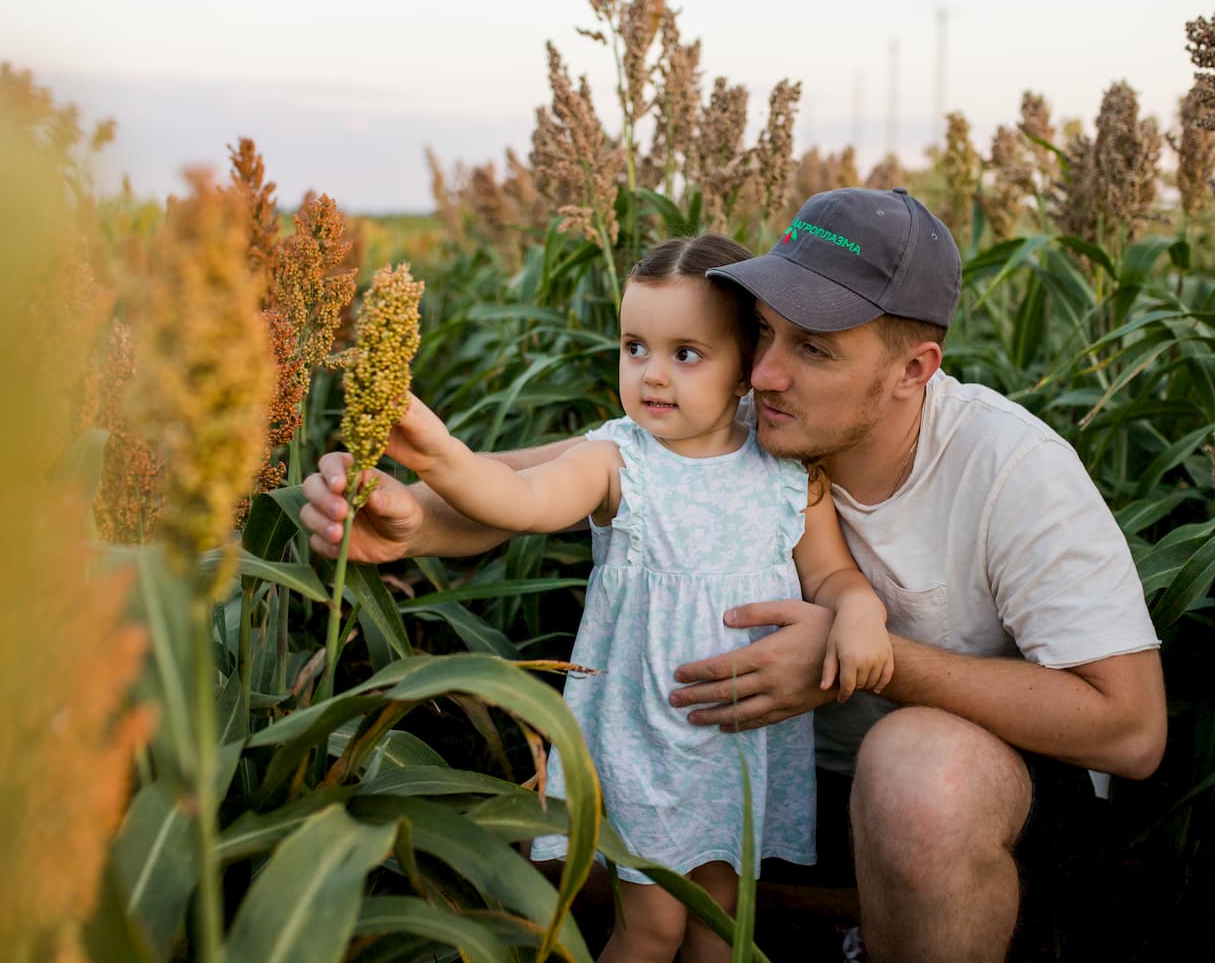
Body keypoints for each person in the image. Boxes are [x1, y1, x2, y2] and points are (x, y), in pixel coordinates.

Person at [301, 188, 1168, 963]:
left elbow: (1131, 731)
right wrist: (404, 520)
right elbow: (543, 479)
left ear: (913, 371)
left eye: (815, 349)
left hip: (969, 811)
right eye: (762, 333)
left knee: (918, 773)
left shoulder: (1012, 471)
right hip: (743, 773)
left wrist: (866, 662)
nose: (763, 373)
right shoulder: (749, 413)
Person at [365, 234, 892, 963]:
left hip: (740, 746)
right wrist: (442, 458)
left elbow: (832, 576)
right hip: (646, 742)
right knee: (651, 928)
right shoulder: (617, 460)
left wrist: (861, 611)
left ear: (747, 370)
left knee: (722, 920)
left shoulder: (786, 475)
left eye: (685, 353)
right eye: (634, 346)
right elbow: (523, 498)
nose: (651, 374)